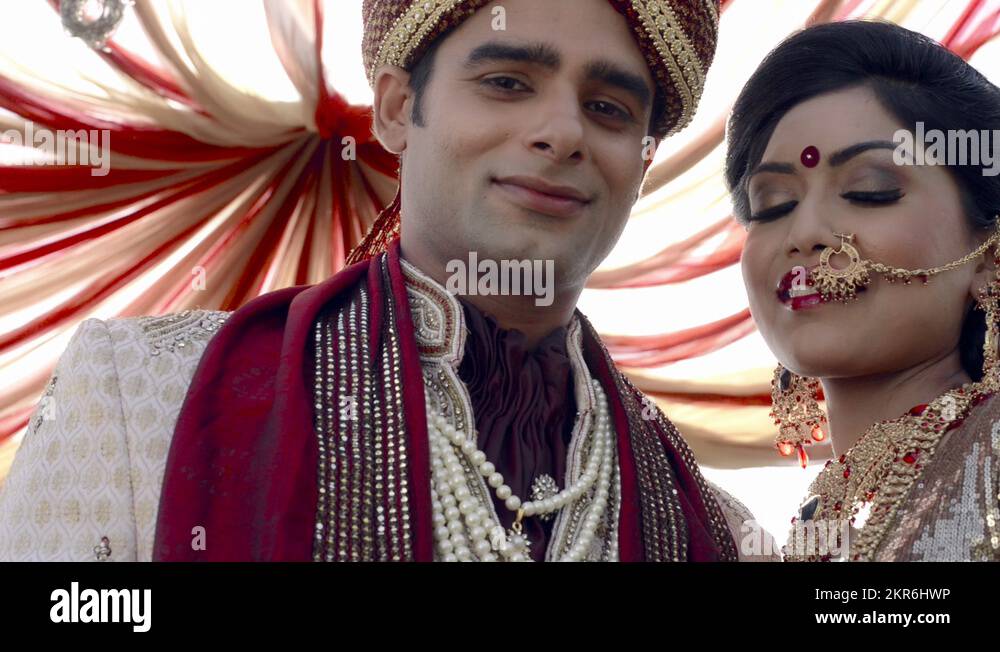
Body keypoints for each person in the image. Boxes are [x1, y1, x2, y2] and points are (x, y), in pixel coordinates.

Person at [0, 0, 773, 562]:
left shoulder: (718, 532)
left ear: (641, 160)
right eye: (508, 82)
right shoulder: (143, 392)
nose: (562, 131)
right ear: (399, 109)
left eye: (607, 108)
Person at [726, 19, 1000, 561]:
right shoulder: (822, 515)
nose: (804, 234)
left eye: (868, 191)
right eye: (773, 204)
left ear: (990, 257)